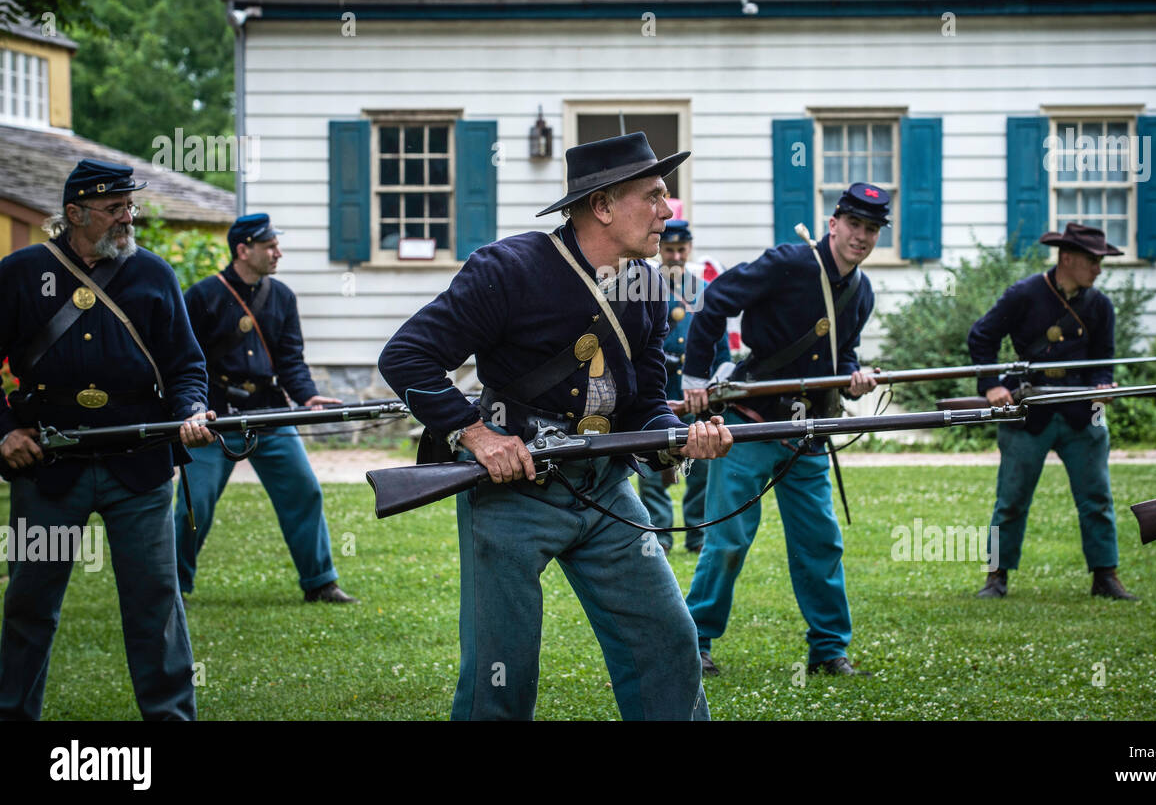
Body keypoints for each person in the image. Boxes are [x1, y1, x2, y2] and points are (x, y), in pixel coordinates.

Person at [378, 132, 733, 721]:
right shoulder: (508, 269)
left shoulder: (645, 286)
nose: (667, 213)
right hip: (514, 491)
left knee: (669, 640)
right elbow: (407, 357)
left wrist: (678, 441)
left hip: (606, 490)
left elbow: (645, 401)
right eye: (653, 196)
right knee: (502, 672)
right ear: (602, 206)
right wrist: (477, 435)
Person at [0, 159, 215, 720]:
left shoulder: (154, 274)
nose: (128, 218)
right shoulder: (21, 273)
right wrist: (3, 433)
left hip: (138, 465)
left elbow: (187, 366)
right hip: (49, 466)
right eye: (114, 209)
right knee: (29, 605)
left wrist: (190, 410)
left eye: (130, 207)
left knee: (155, 607)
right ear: (74, 213)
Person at [680, 183, 883, 678]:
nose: (861, 236)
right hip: (749, 424)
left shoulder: (861, 292)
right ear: (833, 224)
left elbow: (843, 352)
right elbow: (712, 303)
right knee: (726, 540)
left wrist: (854, 378)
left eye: (871, 229)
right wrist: (695, 379)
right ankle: (694, 643)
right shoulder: (789, 262)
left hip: (806, 434)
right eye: (853, 225)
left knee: (821, 543)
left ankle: (829, 650)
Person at [174, 214, 356, 604]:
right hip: (214, 418)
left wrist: (307, 396)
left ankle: (320, 582)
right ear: (243, 250)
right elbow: (187, 362)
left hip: (271, 413)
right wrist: (193, 408)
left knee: (305, 491)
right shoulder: (202, 296)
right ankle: (173, 587)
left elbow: (290, 360)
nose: (278, 253)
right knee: (195, 504)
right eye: (270, 246)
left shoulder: (283, 297)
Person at [968, 222, 1132, 600]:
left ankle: (1105, 575)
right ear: (1068, 258)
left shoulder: (1100, 305)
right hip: (1030, 411)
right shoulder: (1024, 294)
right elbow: (982, 336)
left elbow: (1104, 360)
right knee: (1010, 499)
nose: (1098, 268)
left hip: (1079, 411)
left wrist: (1104, 385)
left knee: (1097, 497)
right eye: (1093, 260)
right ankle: (997, 576)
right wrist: (992, 386)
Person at [638, 218, 731, 553]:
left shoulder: (703, 292)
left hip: (696, 397)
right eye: (669, 249)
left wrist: (713, 384)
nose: (675, 255)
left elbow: (722, 353)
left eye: (681, 249)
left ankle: (698, 536)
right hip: (657, 395)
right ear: (660, 249)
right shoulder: (643, 287)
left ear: (689, 249)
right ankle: (659, 537)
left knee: (701, 471)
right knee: (651, 469)